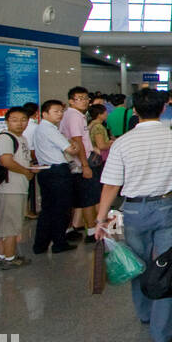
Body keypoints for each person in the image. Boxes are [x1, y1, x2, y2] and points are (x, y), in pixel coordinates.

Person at [94, 88, 172, 342]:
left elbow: (111, 185)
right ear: (164, 107)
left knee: (138, 265)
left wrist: (100, 219)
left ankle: (144, 313)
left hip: (133, 210)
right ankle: (161, 334)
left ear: (134, 111)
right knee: (166, 267)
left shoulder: (122, 142)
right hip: (169, 206)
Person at [32, 99, 79, 255]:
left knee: (48, 210)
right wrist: (75, 144)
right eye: (55, 111)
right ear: (45, 114)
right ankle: (59, 242)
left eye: (61, 111)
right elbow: (71, 150)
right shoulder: (50, 130)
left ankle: (41, 244)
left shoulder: (41, 128)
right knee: (60, 210)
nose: (60, 114)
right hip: (57, 173)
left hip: (47, 171)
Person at [0, 108, 33, 271]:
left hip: (18, 186)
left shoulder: (21, 138)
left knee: (10, 222)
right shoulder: (5, 138)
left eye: (23, 119)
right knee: (10, 223)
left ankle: (5, 254)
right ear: (7, 121)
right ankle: (9, 257)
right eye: (15, 119)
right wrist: (25, 172)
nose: (20, 123)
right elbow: (6, 161)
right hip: (9, 188)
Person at [60, 86, 99, 243]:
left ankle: (71, 228)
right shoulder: (74, 116)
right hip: (79, 163)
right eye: (79, 98)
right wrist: (85, 165)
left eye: (86, 98)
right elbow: (78, 141)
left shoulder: (75, 115)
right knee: (88, 198)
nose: (84, 101)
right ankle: (91, 232)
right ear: (71, 101)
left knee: (79, 198)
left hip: (76, 163)